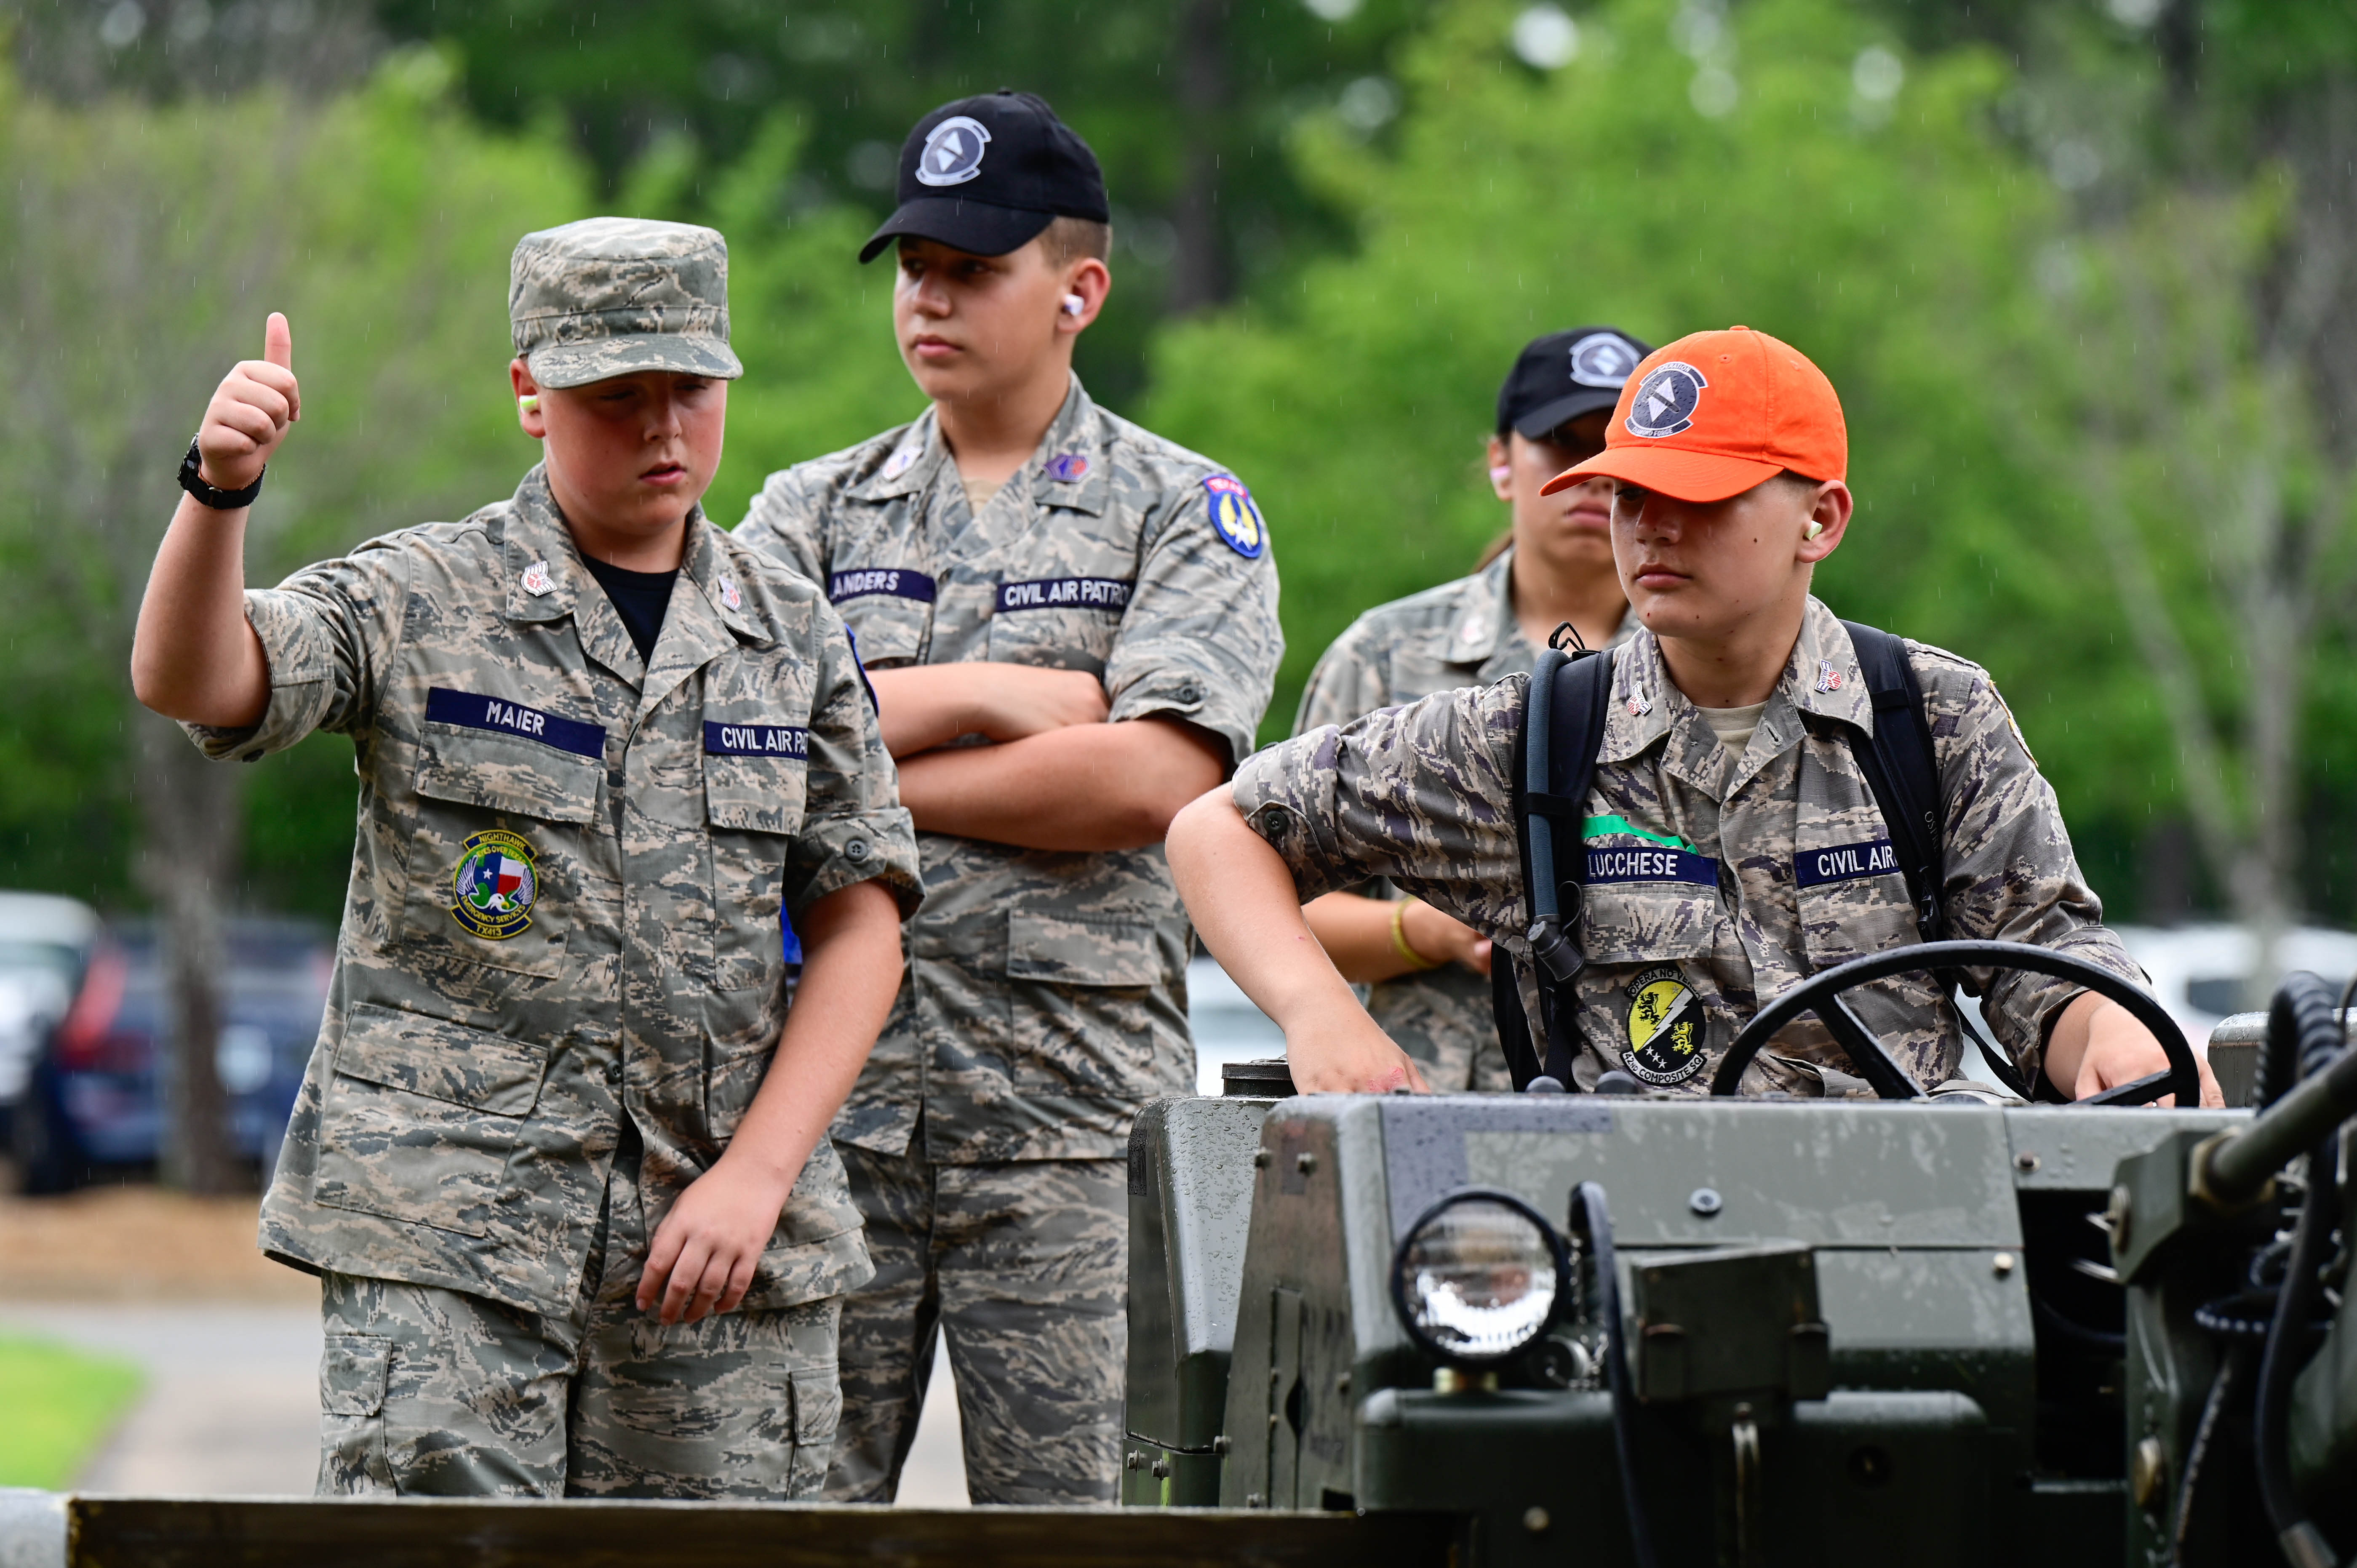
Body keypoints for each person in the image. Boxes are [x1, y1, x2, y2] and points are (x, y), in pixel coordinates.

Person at [128, 218, 924, 1498]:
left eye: (690, 390)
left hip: (709, 1246)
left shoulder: (789, 633)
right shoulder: (422, 596)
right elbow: (197, 678)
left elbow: (860, 917)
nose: (664, 429)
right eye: (617, 396)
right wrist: (218, 491)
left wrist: (759, 1174)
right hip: (453, 1242)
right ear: (529, 395)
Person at [1168, 325, 2220, 1107]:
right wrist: (1320, 1014)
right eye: (1630, 492)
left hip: (1912, 1253)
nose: (1653, 527)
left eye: (1705, 496)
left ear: (1822, 517)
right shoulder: (1538, 737)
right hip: (1625, 1286)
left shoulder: (1930, 716)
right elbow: (1220, 826)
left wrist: (2120, 1042)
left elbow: (2048, 960)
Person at [734, 92, 1282, 1504]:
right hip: (823, 1124)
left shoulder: (1179, 508)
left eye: (973, 269)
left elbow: (1152, 778)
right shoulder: (807, 510)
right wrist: (988, 694)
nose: (929, 297)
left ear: (1077, 290)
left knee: (1079, 1530)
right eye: (914, 266)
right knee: (781, 1519)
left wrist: (868, 765)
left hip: (1069, 1128)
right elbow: (737, 744)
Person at [1292, 328, 1650, 1092]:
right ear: (1499, 462)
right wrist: (1426, 931)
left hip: (1653, 1101)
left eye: (1613, 452)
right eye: (1562, 446)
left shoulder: (1705, 660)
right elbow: (1272, 907)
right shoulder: (1385, 656)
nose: (1591, 477)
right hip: (1432, 1107)